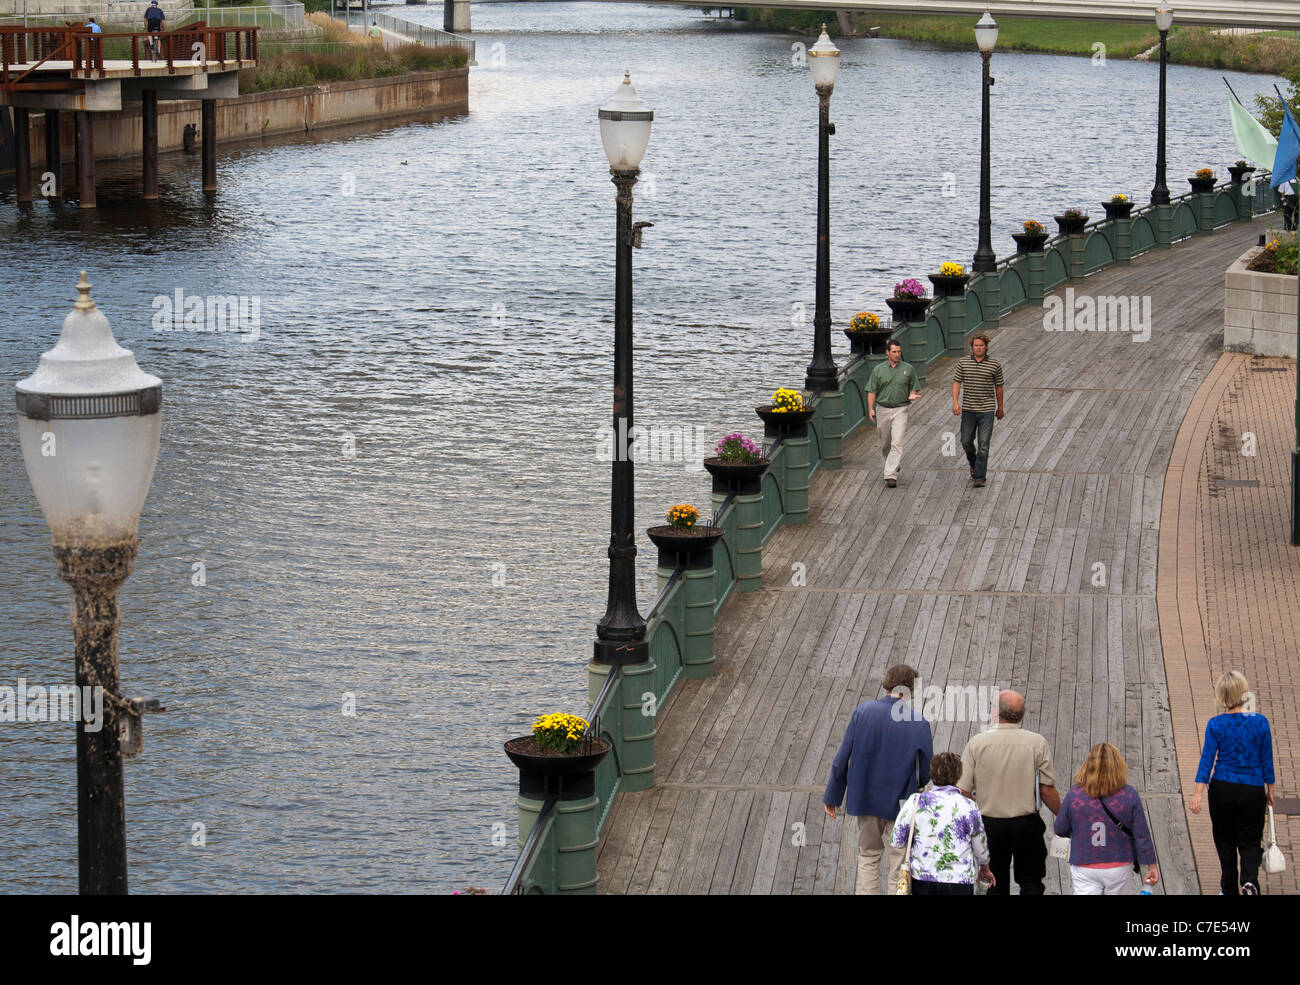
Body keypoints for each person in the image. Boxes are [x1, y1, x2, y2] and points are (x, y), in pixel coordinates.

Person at [824, 664, 933, 895]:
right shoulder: (919, 723)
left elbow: (841, 757)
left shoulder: (862, 713)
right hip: (902, 804)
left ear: (886, 685)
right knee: (899, 862)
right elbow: (925, 770)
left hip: (866, 800)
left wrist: (833, 795)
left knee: (868, 857)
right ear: (910, 690)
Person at [958, 690, 1059, 895]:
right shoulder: (1037, 743)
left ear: (996, 712)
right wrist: (1066, 816)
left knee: (994, 882)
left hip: (989, 824)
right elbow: (1046, 790)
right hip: (1026, 824)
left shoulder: (977, 743)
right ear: (1021, 714)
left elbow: (963, 790)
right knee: (1031, 881)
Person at [1189, 670, 1275, 895]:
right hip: (1252, 788)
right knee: (1250, 839)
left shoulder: (1216, 724)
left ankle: (1228, 887)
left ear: (1222, 694)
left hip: (1222, 788)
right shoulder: (1260, 722)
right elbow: (1266, 759)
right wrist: (1270, 790)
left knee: (1224, 838)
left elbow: (1207, 760)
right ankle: (1249, 882)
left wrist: (1198, 793)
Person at [1054, 742, 1159, 895]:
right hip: (1118, 864)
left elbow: (1059, 828)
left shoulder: (1075, 793)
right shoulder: (1129, 794)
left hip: (1084, 862)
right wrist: (1151, 865)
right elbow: (1141, 835)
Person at [892, 752, 994, 895]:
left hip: (923, 879)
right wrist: (985, 868)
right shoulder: (968, 805)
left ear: (932, 773)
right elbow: (980, 845)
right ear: (959, 774)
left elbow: (896, 840)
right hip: (960, 880)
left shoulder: (916, 802)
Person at [866, 339, 920, 488]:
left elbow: (914, 387)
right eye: (894, 352)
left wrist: (912, 394)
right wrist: (870, 408)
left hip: (900, 409)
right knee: (885, 443)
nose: (897, 354)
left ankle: (890, 475)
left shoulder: (908, 369)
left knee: (897, 441)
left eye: (899, 352)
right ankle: (892, 463)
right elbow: (871, 390)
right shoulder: (878, 370)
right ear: (887, 352)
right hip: (882, 409)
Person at [951, 333, 1004, 488]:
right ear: (972, 347)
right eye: (976, 345)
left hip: (987, 409)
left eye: (981, 345)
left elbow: (999, 387)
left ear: (986, 347)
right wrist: (955, 403)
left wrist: (1000, 407)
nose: (978, 348)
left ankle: (980, 476)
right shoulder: (963, 362)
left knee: (983, 444)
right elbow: (957, 382)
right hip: (968, 409)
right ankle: (974, 464)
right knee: (966, 441)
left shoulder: (994, 364)